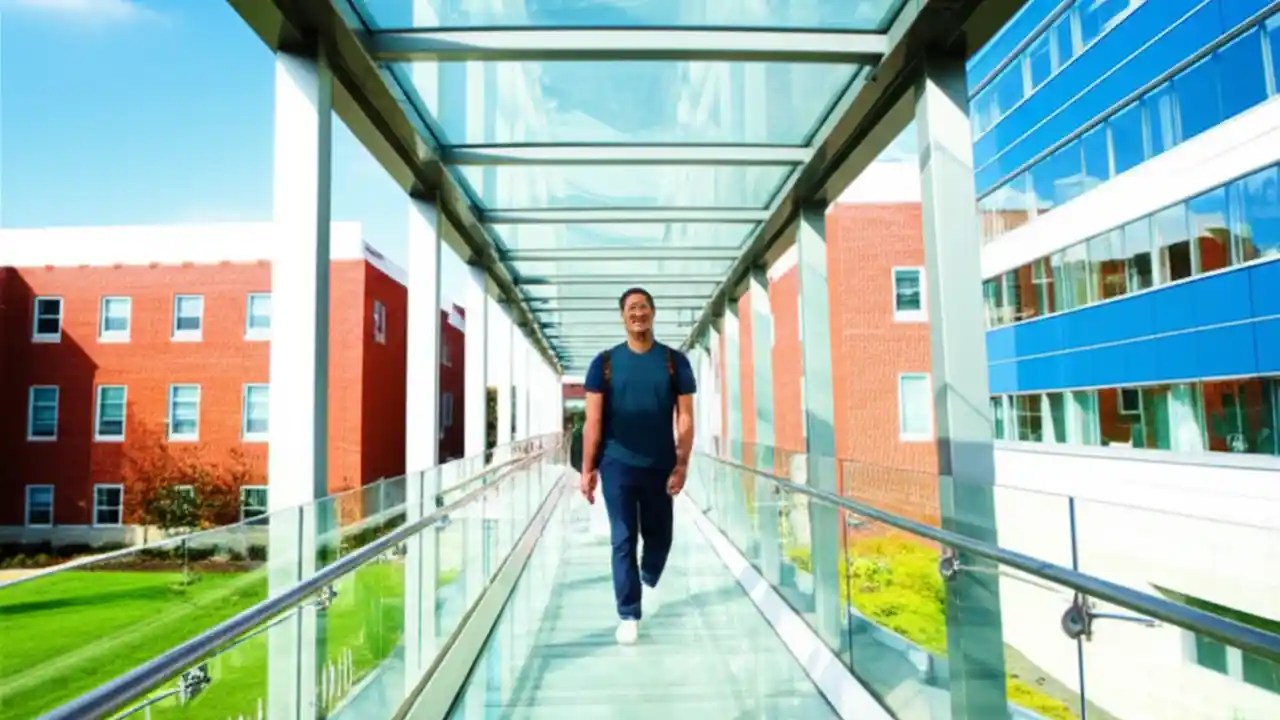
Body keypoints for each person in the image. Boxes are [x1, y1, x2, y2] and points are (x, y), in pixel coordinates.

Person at [579, 287, 696, 645]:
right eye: (631, 308)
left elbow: (686, 417)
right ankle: (628, 613)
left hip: (660, 463)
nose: (638, 313)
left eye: (643, 307)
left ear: (653, 312)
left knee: (660, 538)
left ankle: (647, 578)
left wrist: (682, 463)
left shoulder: (674, 362)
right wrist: (588, 469)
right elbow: (593, 421)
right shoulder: (604, 363)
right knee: (624, 538)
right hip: (618, 464)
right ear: (622, 316)